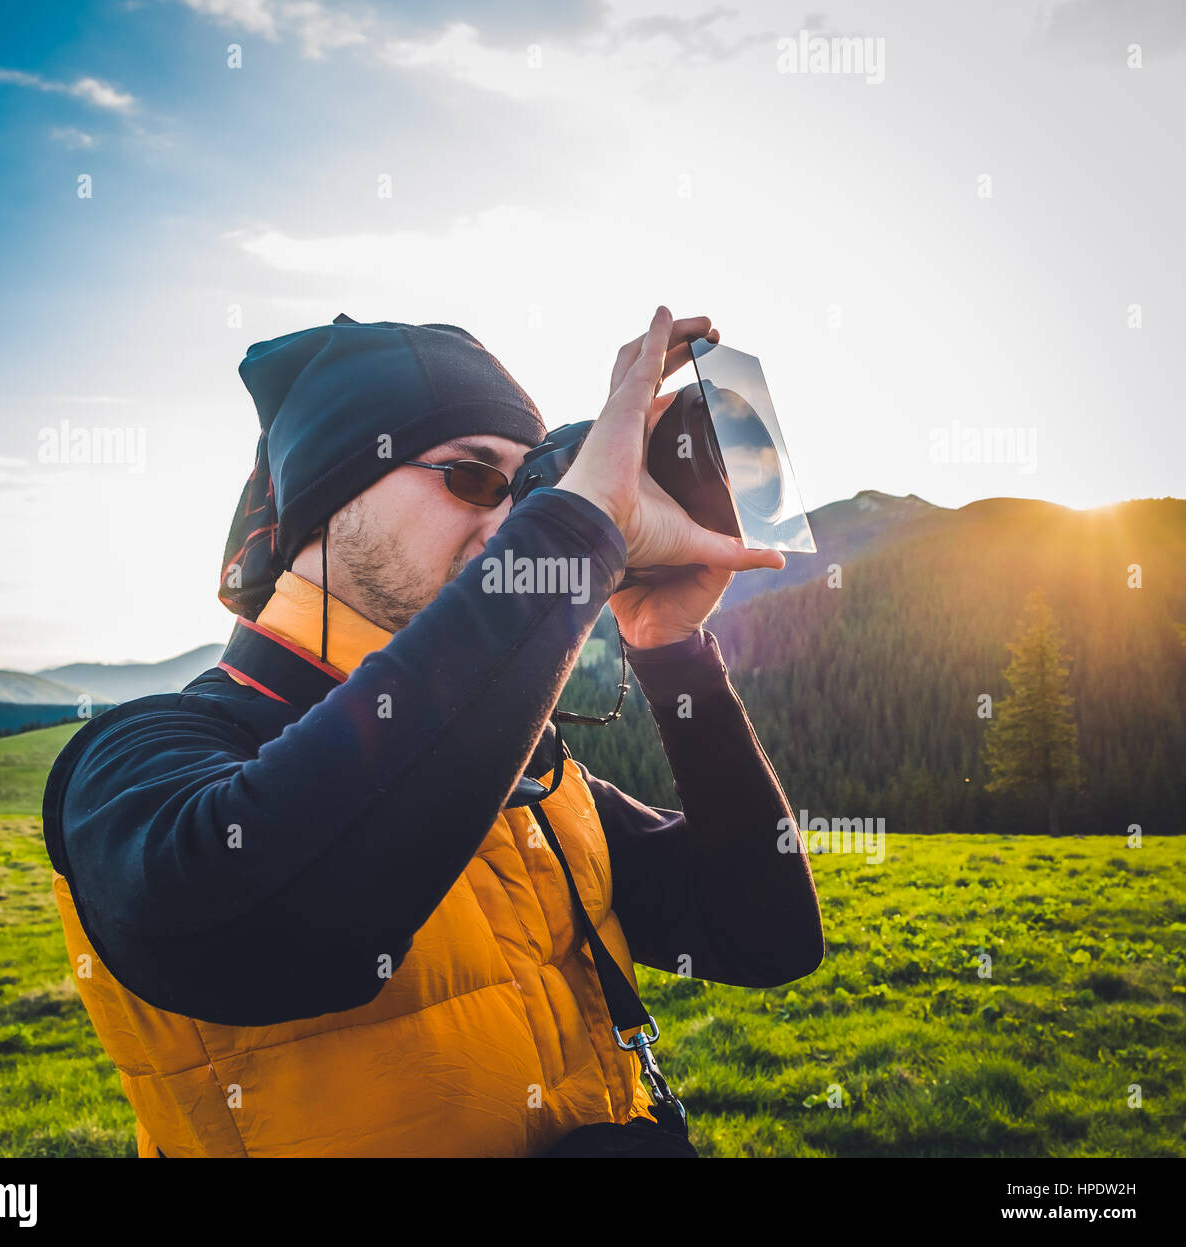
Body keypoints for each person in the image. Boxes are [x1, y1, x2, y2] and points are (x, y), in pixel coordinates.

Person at [41, 305, 824, 1158]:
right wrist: (571, 529)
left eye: (529, 494)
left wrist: (671, 652)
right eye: (475, 479)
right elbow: (267, 916)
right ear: (322, 506)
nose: (507, 527)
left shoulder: (532, 774)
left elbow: (763, 932)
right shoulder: (140, 756)